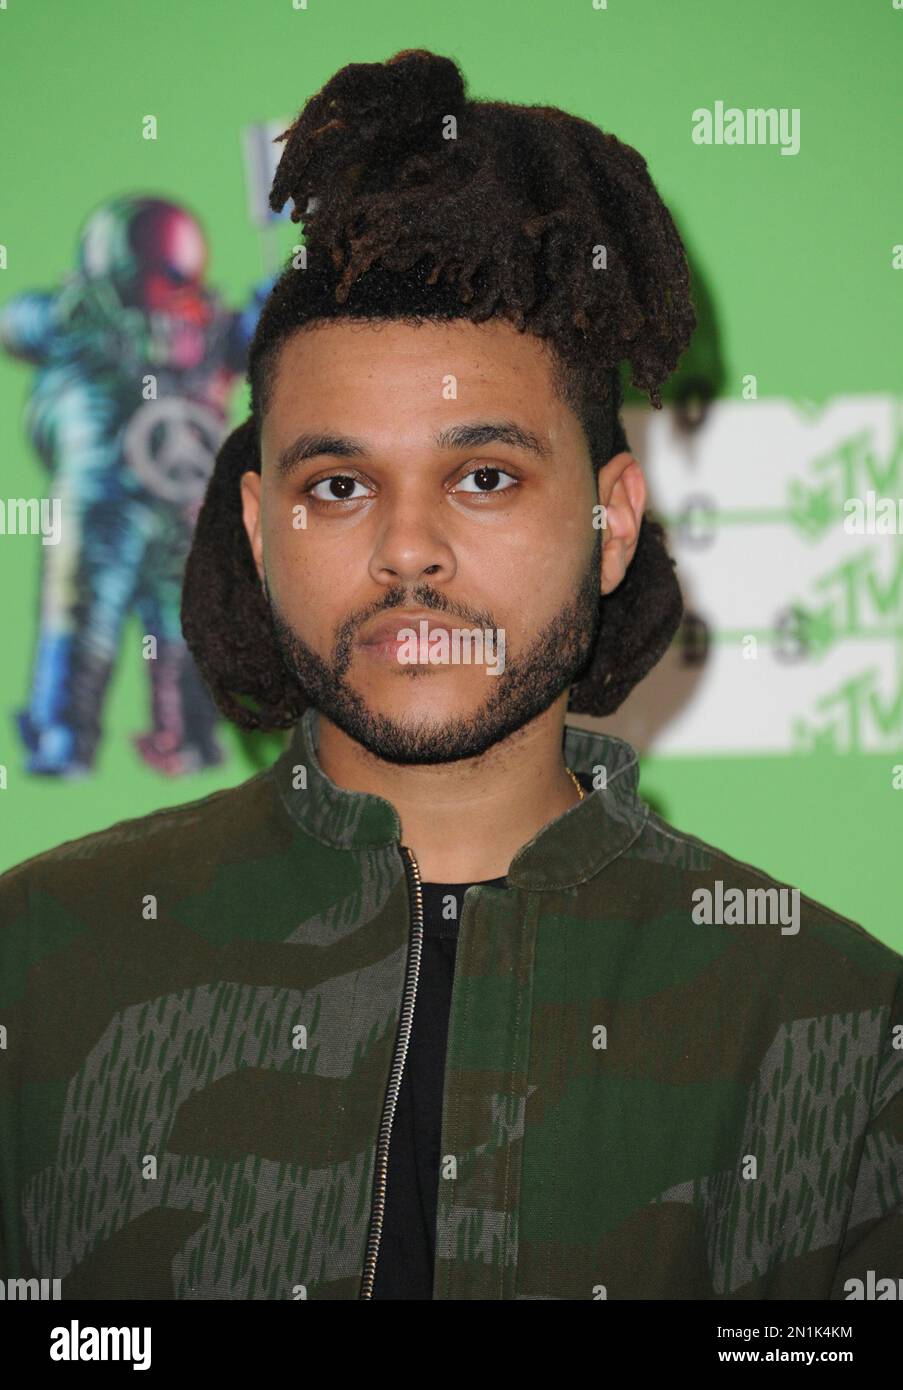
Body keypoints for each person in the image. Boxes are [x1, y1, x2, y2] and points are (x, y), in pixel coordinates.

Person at [1, 49, 900, 1302]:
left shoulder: (842, 1028)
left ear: (613, 522)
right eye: (339, 485)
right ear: (258, 530)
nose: (408, 547)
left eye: (484, 477)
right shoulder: (32, 967)